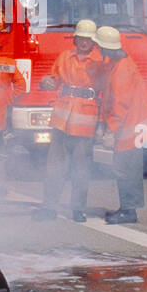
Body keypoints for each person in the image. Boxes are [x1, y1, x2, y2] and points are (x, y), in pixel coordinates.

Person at [35, 19, 103, 222]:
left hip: (85, 124)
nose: (84, 42)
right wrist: (46, 82)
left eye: (88, 39)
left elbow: (106, 91)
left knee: (81, 169)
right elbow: (53, 78)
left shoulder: (99, 61)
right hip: (61, 121)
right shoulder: (65, 57)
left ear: (94, 41)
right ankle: (49, 208)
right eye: (81, 38)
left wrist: (104, 125)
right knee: (54, 167)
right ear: (75, 39)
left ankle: (78, 209)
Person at [94, 25, 147, 224]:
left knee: (126, 168)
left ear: (105, 47)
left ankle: (129, 212)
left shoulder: (121, 68)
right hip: (134, 124)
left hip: (132, 126)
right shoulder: (118, 63)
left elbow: (120, 104)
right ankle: (127, 208)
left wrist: (111, 130)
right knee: (126, 166)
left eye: (99, 46)